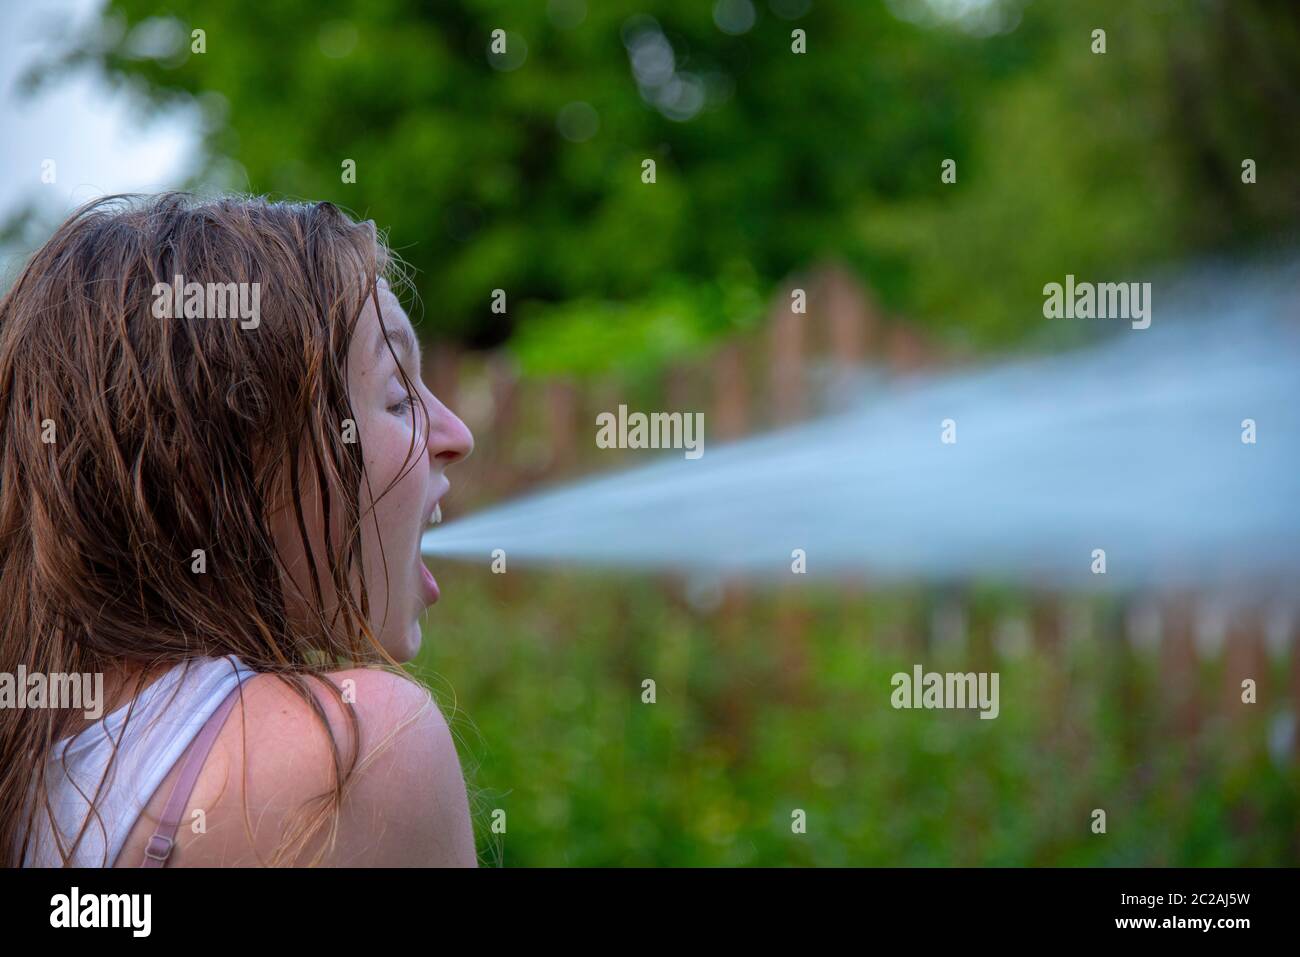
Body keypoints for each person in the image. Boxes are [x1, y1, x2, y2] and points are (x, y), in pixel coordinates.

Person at [0, 193, 478, 867]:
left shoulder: (31, 761)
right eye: (398, 397)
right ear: (226, 455)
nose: (457, 434)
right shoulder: (357, 755)